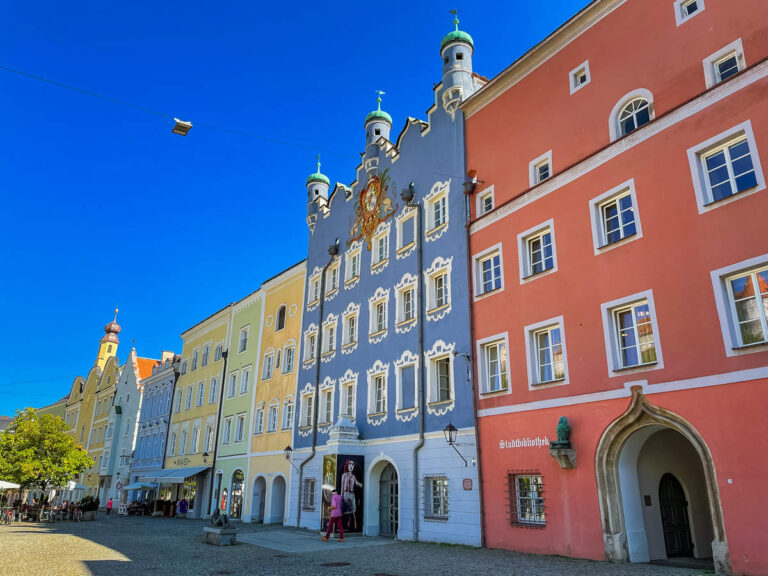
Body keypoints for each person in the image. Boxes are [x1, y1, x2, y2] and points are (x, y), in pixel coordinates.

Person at [341, 460, 362, 530]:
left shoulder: (353, 476)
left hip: (352, 494)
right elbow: (342, 487)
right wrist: (341, 496)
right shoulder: (344, 475)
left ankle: (354, 525)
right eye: (350, 464)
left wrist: (362, 484)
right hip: (345, 494)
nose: (351, 466)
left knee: (353, 511)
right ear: (347, 465)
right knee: (346, 511)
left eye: (352, 464)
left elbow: (357, 483)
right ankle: (345, 525)